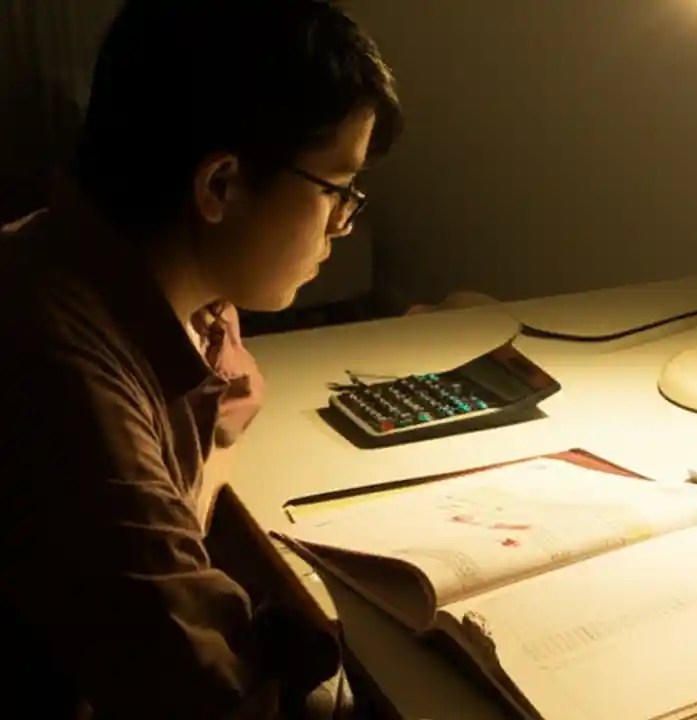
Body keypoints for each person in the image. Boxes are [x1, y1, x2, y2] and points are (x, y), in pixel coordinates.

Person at [0, 0, 402, 718]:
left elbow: (226, 391)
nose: (344, 224)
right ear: (220, 185)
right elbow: (215, 695)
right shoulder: (68, 385)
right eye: (337, 191)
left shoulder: (100, 260)